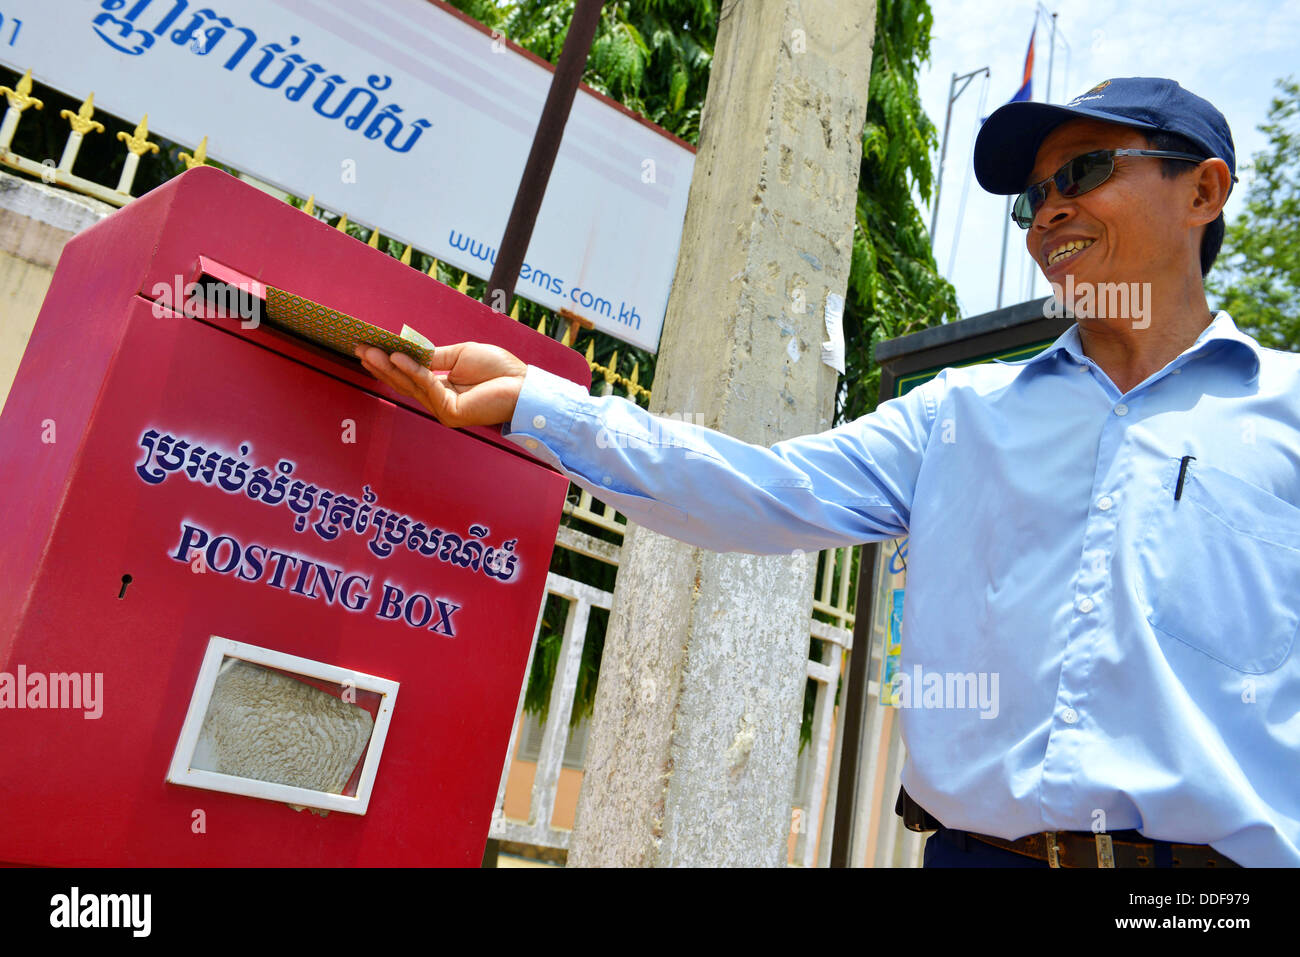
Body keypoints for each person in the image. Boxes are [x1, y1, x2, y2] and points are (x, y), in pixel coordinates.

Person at [356, 78, 1299, 868]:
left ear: (1203, 191)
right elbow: (758, 487)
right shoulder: (957, 416)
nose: (1049, 209)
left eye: (1085, 172)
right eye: (1032, 196)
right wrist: (539, 399)